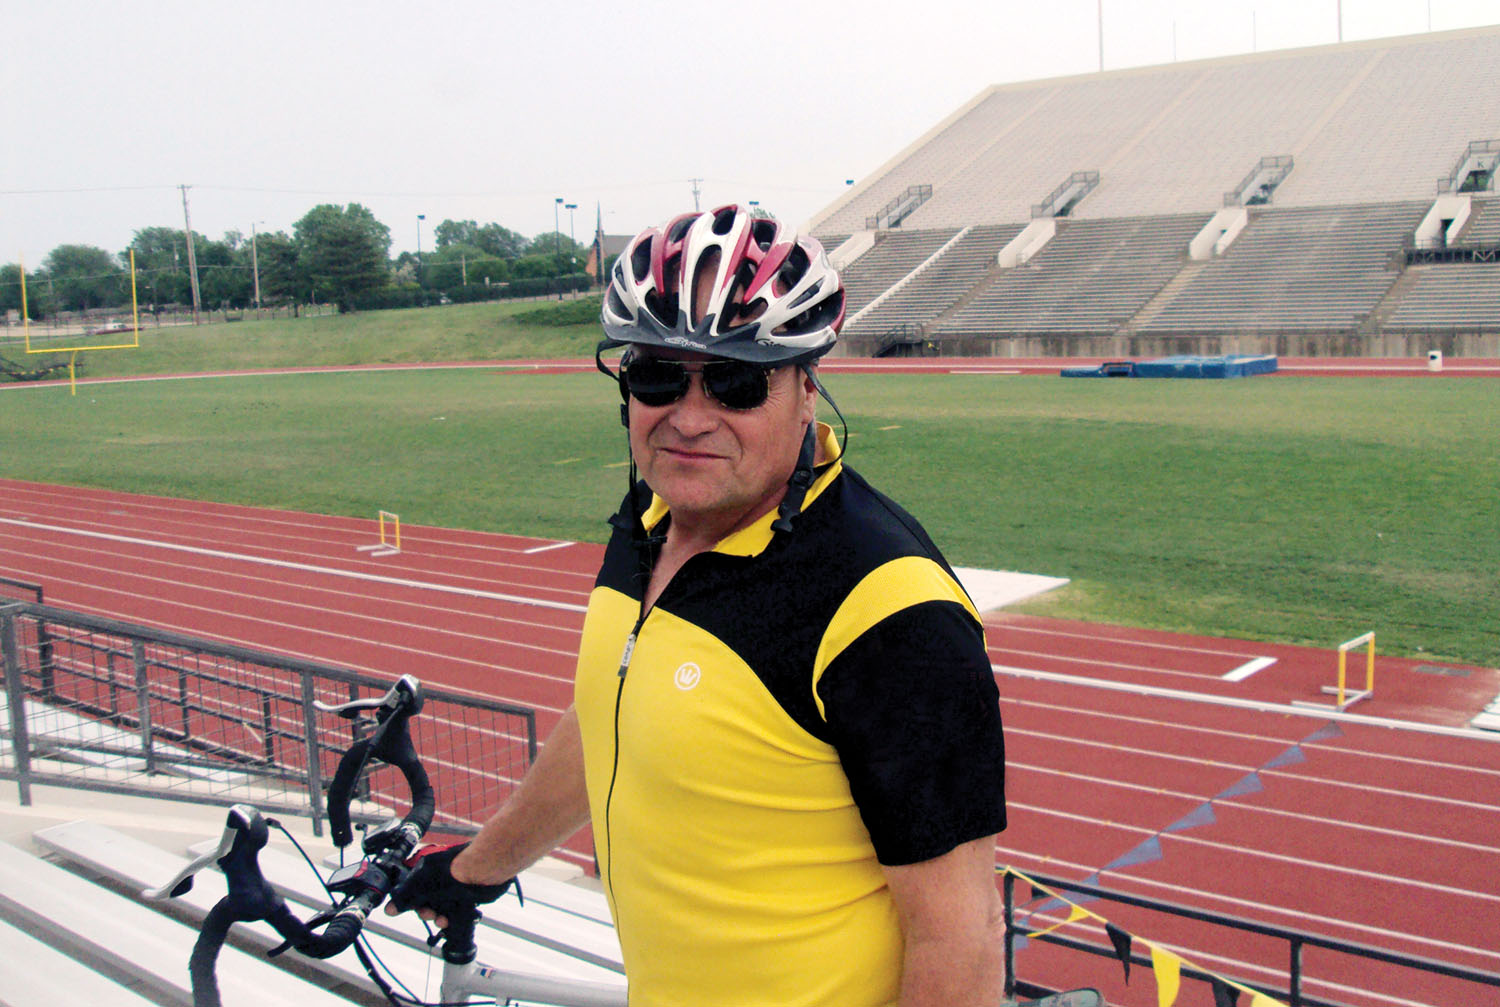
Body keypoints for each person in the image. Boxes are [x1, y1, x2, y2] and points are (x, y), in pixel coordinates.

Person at [390, 204, 1008, 1007]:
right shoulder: (647, 522)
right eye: (655, 375)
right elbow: (613, 720)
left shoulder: (889, 609)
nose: (688, 417)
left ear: (806, 389)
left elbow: (959, 940)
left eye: (735, 380)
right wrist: (474, 869)